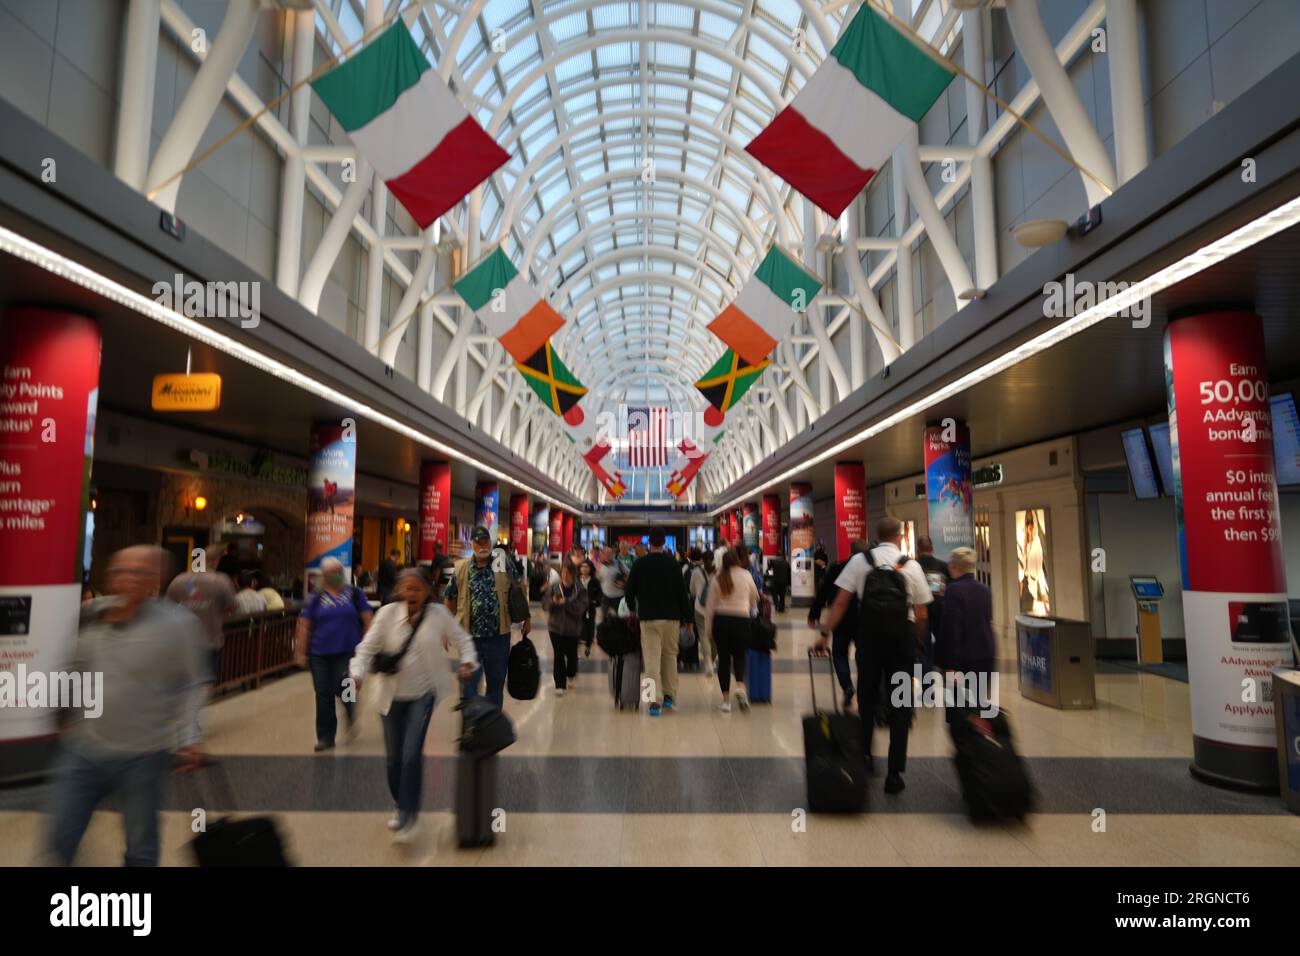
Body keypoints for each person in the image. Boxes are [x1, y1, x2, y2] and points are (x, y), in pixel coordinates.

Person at [44, 546, 207, 866]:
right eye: (120, 572)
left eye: (140, 572)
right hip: (85, 750)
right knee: (60, 836)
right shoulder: (94, 614)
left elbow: (191, 683)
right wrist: (63, 713)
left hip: (143, 755)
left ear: (155, 580)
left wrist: (189, 735)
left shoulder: (178, 625)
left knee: (141, 847)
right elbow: (75, 666)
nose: (128, 579)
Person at [350, 569, 477, 842]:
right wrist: (357, 674)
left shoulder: (438, 615)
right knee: (394, 758)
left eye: (417, 589)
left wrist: (467, 661)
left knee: (410, 754)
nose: (411, 595)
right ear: (399, 591)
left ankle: (409, 812)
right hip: (390, 697)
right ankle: (400, 803)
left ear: (427, 592)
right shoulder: (386, 615)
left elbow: (462, 639)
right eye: (407, 589)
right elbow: (366, 648)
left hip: (423, 694)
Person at [816, 516, 932, 795]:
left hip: (869, 638)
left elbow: (842, 601)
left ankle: (866, 758)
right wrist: (916, 642)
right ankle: (894, 773)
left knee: (867, 699)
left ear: (875, 536)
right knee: (900, 705)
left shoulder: (860, 562)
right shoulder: (910, 565)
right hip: (901, 640)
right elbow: (922, 613)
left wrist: (825, 634)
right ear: (901, 535)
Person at [444, 526, 529, 709]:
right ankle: (471, 727)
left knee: (495, 686)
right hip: (469, 638)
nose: (482, 545)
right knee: (469, 686)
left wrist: (527, 618)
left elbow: (519, 588)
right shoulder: (462, 568)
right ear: (472, 544)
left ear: (490, 543)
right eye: (478, 542)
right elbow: (449, 597)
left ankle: (491, 728)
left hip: (498, 637)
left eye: (485, 541)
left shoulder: (503, 562)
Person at [294, 557, 372, 752]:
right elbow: (305, 624)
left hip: (347, 651)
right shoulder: (315, 597)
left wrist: (369, 647)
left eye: (339, 570)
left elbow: (367, 618)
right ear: (324, 575)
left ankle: (350, 708)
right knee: (323, 694)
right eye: (332, 572)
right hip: (319, 653)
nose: (337, 574)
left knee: (344, 685)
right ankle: (326, 737)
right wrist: (300, 651)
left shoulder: (354, 593)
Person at [623, 529, 694, 717]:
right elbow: (682, 593)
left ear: (649, 544)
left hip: (648, 619)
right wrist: (688, 618)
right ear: (664, 544)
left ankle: (654, 702)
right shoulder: (673, 564)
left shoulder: (640, 564)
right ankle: (670, 696)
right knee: (670, 657)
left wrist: (632, 607)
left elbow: (629, 592)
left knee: (651, 660)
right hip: (671, 619)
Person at [166, 569, 238, 739]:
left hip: (182, 642)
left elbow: (167, 607)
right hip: (208, 641)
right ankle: (189, 721)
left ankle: (186, 719)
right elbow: (233, 607)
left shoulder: (178, 580)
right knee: (205, 683)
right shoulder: (220, 581)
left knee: (185, 683)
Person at [935, 547, 996, 723]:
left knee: (958, 712)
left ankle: (966, 745)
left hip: (963, 660)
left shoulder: (954, 590)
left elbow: (952, 630)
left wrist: (949, 665)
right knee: (977, 706)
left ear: (953, 566)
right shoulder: (985, 589)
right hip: (984, 655)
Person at [808, 539, 867, 711]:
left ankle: (847, 686)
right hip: (863, 619)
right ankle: (864, 690)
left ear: (850, 552)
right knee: (862, 656)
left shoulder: (836, 568)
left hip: (840, 619)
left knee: (840, 654)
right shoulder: (870, 570)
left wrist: (814, 612)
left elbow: (823, 591)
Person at [703, 550, 758, 713]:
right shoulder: (746, 575)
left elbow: (710, 606)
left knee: (724, 660)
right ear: (737, 560)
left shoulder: (717, 578)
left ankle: (726, 701)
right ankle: (741, 686)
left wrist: (708, 629)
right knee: (740, 656)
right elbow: (755, 597)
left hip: (722, 622)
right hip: (742, 620)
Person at [543, 560, 589, 695]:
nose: (565, 576)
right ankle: (559, 685)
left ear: (574, 574)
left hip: (572, 629)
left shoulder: (580, 590)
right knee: (558, 655)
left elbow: (580, 608)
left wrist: (566, 602)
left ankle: (571, 674)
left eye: (568, 573)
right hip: (555, 628)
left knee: (571, 655)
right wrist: (553, 602)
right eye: (563, 573)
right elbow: (545, 605)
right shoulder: (554, 587)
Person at [915, 536, 951, 675]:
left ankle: (927, 680)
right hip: (940, 609)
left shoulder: (914, 566)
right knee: (942, 643)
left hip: (920, 610)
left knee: (924, 646)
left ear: (918, 550)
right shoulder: (943, 566)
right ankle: (943, 670)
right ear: (932, 548)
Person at [689, 550, 716, 677]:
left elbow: (692, 590)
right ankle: (713, 660)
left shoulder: (695, 572)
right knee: (714, 636)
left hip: (700, 608)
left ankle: (708, 662)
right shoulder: (718, 573)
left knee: (703, 635)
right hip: (715, 609)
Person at [597, 544, 628, 616]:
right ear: (603, 554)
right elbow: (598, 577)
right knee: (604, 618)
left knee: (620, 618)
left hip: (618, 597)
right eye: (606, 553)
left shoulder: (619, 563)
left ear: (613, 554)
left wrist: (624, 583)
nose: (608, 555)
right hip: (605, 597)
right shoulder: (600, 565)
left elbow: (629, 575)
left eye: (610, 553)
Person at [578, 559, 600, 656]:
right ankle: (579, 640)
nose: (584, 569)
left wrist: (596, 602)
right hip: (578, 606)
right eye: (582, 566)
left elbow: (599, 593)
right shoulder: (577, 579)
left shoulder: (594, 580)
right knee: (579, 623)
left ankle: (588, 643)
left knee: (591, 624)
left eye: (586, 567)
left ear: (590, 568)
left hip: (590, 606)